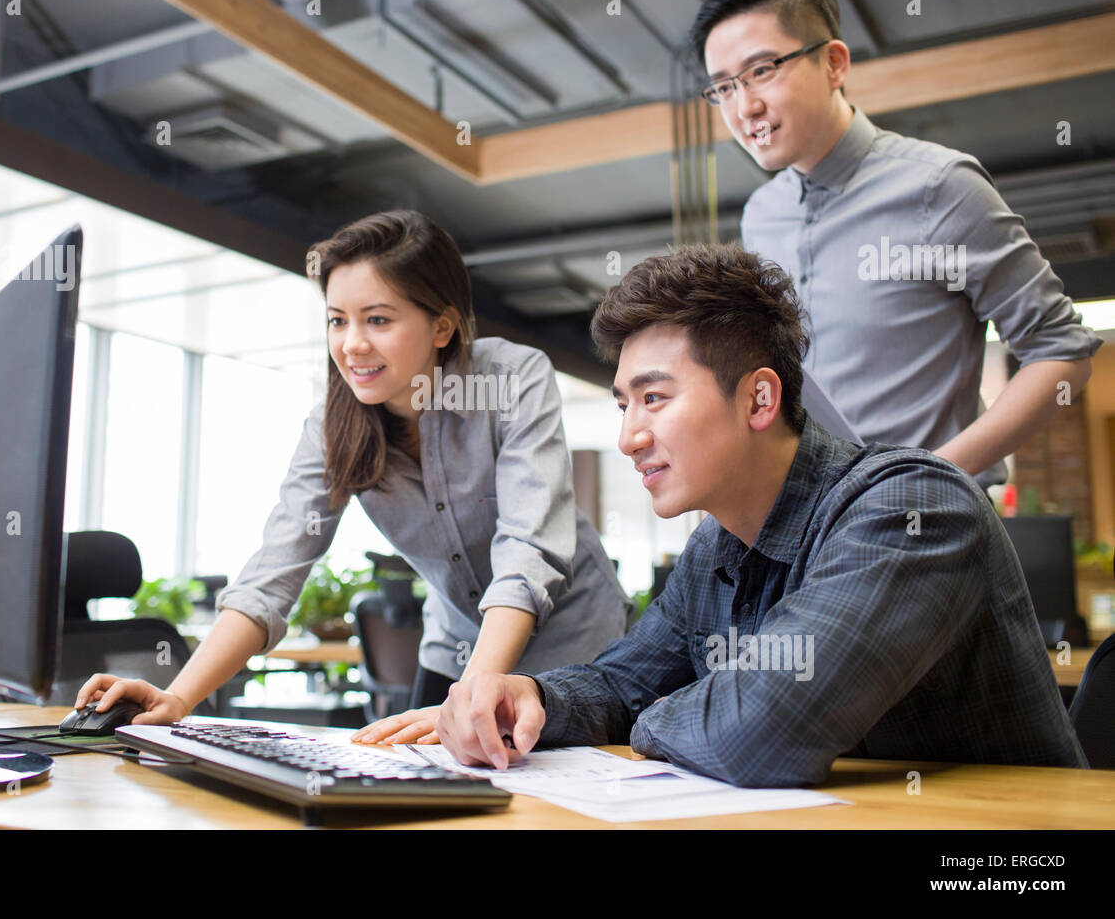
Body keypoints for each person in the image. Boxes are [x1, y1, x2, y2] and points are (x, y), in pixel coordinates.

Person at [436, 243, 1087, 787]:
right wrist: (534, 697)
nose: (629, 437)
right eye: (623, 406)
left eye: (654, 398)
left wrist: (653, 712)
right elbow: (622, 682)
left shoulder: (912, 508)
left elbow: (760, 733)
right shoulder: (716, 546)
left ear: (759, 400)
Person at [75, 210, 628, 745]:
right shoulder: (331, 426)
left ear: (441, 325)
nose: (352, 343)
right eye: (338, 320)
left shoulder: (512, 378)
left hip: (575, 650)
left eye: (378, 319)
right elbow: (273, 574)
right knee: (430, 793)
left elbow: (527, 550)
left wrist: (476, 697)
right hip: (458, 649)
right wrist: (178, 697)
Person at [691, 0, 1100, 487]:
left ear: (834, 63)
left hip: (928, 516)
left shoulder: (939, 186)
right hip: (812, 515)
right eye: (724, 87)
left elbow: (1062, 351)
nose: (745, 106)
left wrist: (931, 474)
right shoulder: (762, 215)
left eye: (763, 70)